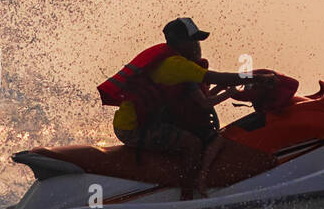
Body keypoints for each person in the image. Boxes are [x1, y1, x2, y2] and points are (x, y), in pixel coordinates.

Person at [97, 17, 268, 198]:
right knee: (191, 143)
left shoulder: (173, 61)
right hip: (133, 128)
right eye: (194, 41)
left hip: (144, 120)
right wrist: (258, 78)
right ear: (180, 42)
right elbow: (219, 77)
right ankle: (188, 196)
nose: (198, 46)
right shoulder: (176, 65)